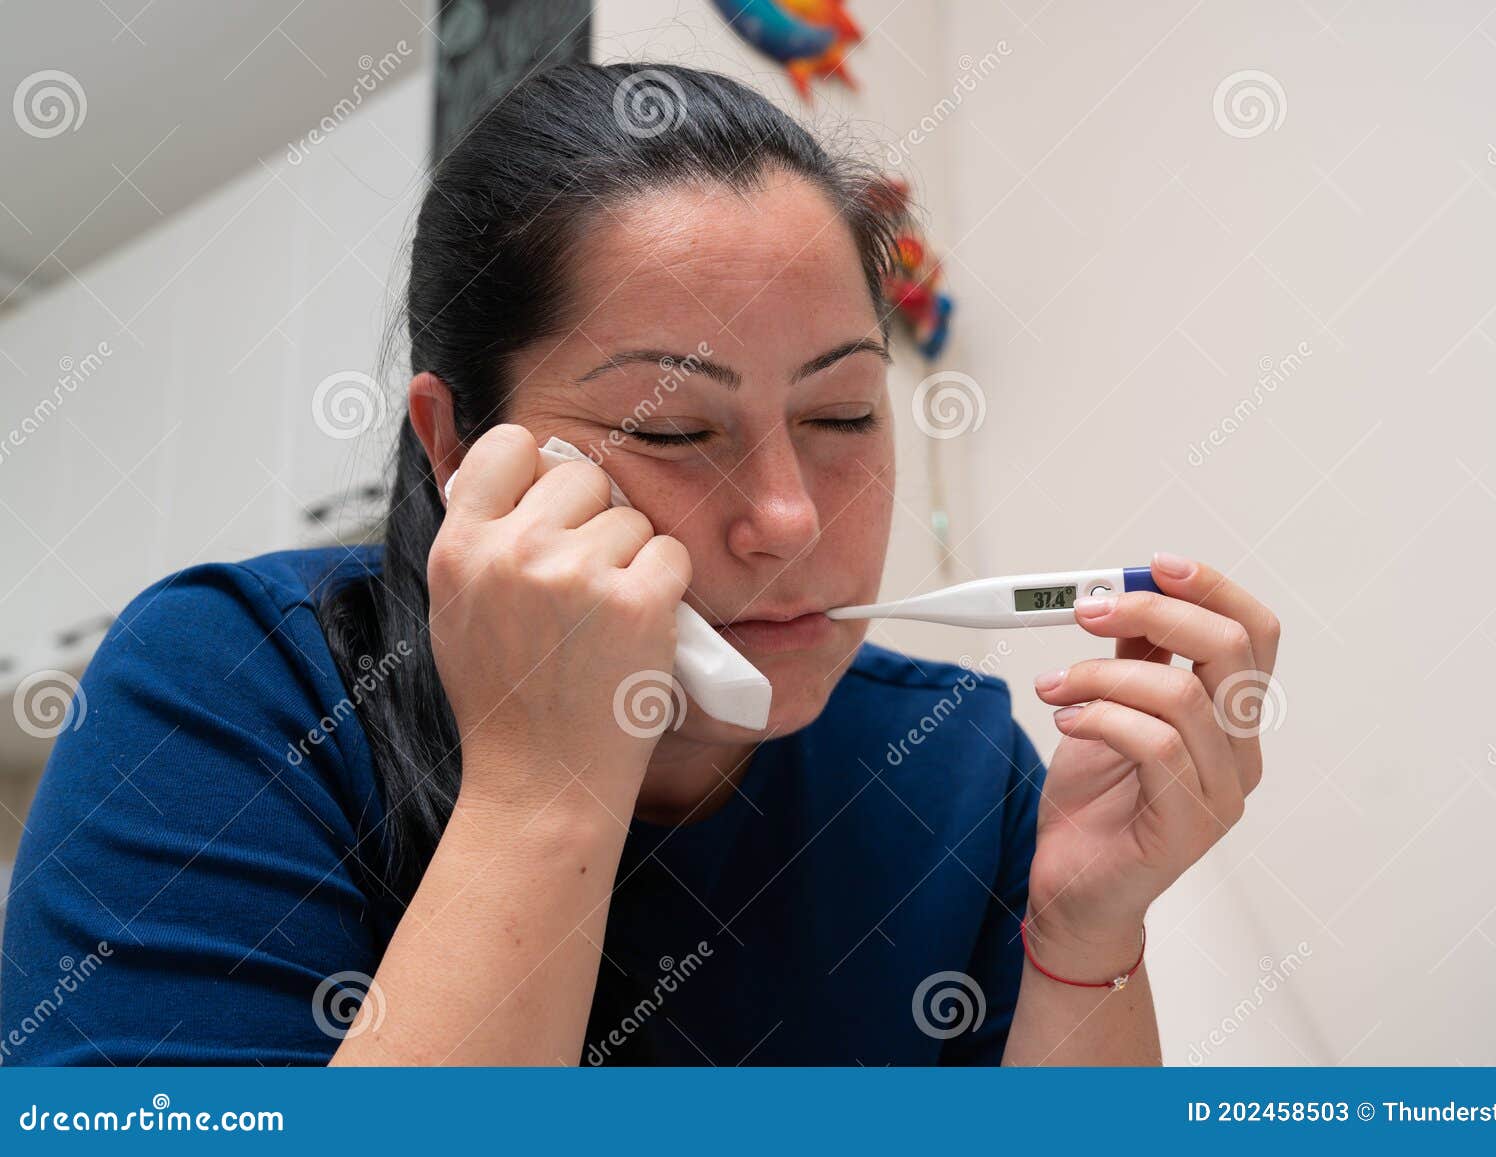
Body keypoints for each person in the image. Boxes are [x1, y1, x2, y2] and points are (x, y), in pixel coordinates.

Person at [0, 62, 1281, 1066]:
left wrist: (1084, 934)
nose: (785, 515)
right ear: (455, 446)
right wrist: (545, 789)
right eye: (674, 429)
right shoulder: (230, 685)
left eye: (842, 416)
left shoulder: (953, 762)